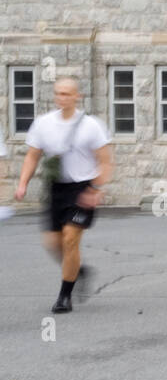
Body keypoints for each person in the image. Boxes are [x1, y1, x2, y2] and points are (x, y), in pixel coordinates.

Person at [15, 77, 113, 314]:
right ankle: (78, 270)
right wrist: (22, 183)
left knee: (70, 239)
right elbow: (32, 155)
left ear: (77, 96)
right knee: (52, 243)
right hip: (55, 188)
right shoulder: (43, 124)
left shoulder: (92, 125)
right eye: (59, 93)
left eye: (67, 94)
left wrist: (95, 190)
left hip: (82, 189)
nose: (62, 98)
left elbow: (106, 161)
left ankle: (64, 296)